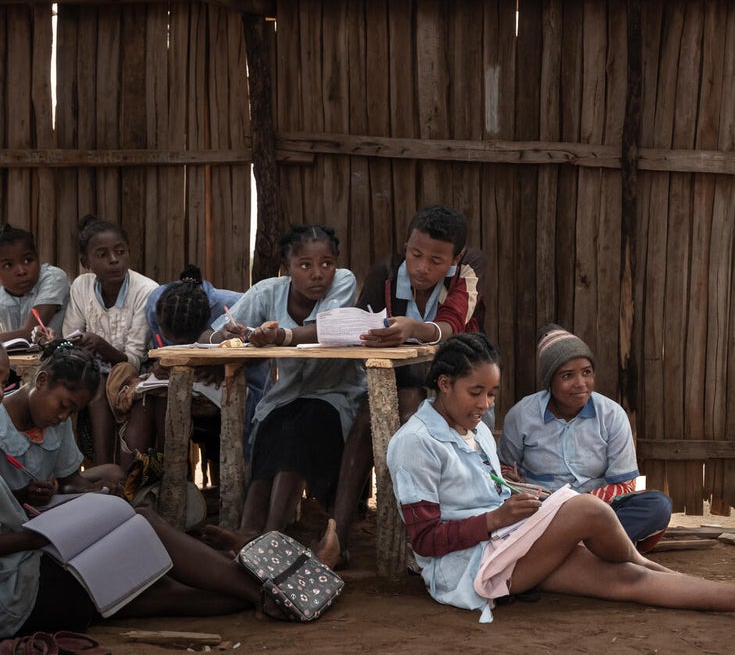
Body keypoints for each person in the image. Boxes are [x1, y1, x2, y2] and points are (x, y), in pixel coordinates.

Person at [389, 333, 735, 623]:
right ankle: (640, 556)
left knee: (625, 580)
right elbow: (424, 541)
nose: (485, 405)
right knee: (588, 509)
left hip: (509, 543)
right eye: (475, 392)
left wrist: (521, 500)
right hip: (468, 567)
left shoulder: (473, 427)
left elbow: (491, 487)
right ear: (444, 384)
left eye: (492, 394)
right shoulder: (416, 443)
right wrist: (497, 518)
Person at [0, 341, 289, 640]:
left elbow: (62, 482)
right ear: (42, 381)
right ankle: (260, 586)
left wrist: (82, 496)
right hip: (22, 582)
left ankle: (257, 585)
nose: (63, 417)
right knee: (153, 570)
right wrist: (35, 535)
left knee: (150, 556)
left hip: (38, 551)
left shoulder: (49, 421)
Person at [325, 204, 484, 566]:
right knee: (372, 417)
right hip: (395, 387)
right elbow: (356, 326)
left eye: (436, 260)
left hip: (454, 389)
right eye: (415, 254)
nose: (421, 268)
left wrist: (415, 328)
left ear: (455, 260)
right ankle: (336, 534)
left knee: (410, 410)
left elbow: (452, 324)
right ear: (405, 246)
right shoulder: (384, 275)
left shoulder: (467, 274)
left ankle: (416, 539)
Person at [206, 225, 365, 538]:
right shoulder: (268, 291)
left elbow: (329, 328)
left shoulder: (343, 282)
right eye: (305, 265)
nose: (318, 273)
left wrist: (281, 336)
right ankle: (248, 529)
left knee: (296, 430)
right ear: (286, 268)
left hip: (337, 395)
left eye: (327, 263)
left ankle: (271, 533)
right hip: (287, 395)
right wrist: (226, 334)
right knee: (271, 425)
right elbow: (211, 335)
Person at [500, 324, 673, 553]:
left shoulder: (612, 415)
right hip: (543, 511)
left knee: (658, 506)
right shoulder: (522, 415)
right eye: (567, 375)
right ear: (549, 381)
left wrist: (581, 507)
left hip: (599, 510)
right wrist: (515, 483)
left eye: (587, 372)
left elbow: (625, 484)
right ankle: (595, 550)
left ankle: (567, 549)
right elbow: (501, 471)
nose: (581, 383)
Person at [116, 267, 268, 469]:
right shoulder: (156, 305)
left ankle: (174, 473)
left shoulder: (237, 306)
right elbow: (162, 353)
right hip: (181, 383)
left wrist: (220, 363)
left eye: (188, 343)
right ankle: (140, 482)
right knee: (148, 402)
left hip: (240, 384)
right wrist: (164, 363)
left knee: (167, 400)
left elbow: (264, 353)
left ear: (204, 327)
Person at [62, 216, 158, 465]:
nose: (114, 260)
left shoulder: (145, 291)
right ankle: (100, 467)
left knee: (103, 381)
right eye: (102, 254)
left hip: (137, 371)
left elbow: (135, 359)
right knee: (91, 381)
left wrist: (102, 347)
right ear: (86, 262)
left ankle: (113, 473)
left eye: (119, 252)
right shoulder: (81, 286)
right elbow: (70, 335)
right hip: (94, 369)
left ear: (129, 253)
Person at [0, 224, 70, 344]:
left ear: (38, 257)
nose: (21, 271)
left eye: (28, 260)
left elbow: (29, 333)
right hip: (16, 361)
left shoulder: (53, 278)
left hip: (55, 360)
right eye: (8, 265)